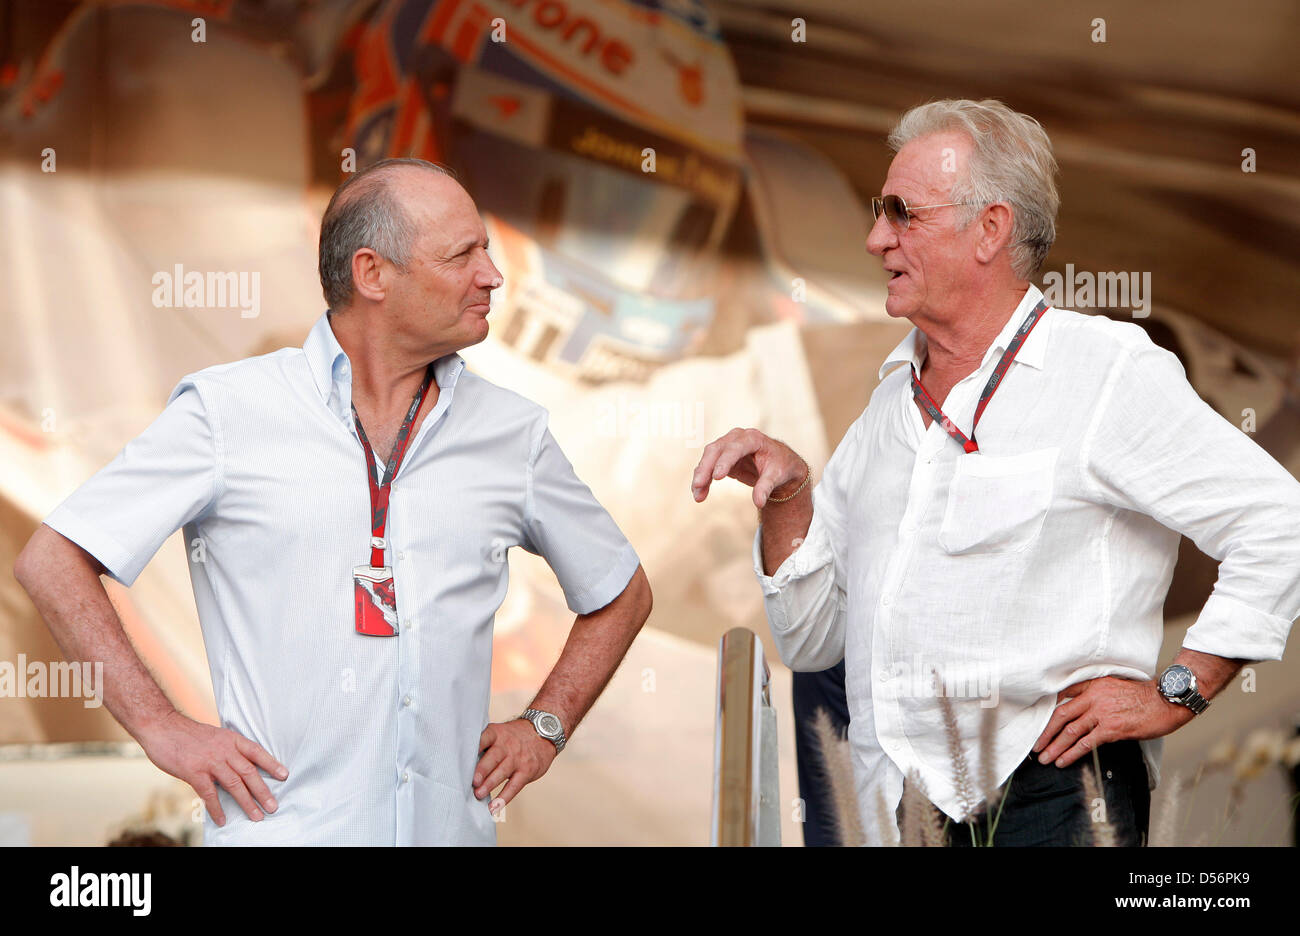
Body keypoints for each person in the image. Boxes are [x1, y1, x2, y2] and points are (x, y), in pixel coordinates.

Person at [691, 99, 1300, 846]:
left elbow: (1278, 520)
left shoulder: (1105, 370)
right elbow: (813, 644)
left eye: (901, 213)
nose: (875, 237)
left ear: (990, 228)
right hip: (897, 814)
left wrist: (1180, 691)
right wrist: (787, 500)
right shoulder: (887, 410)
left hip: (1056, 793)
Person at [14, 157, 652, 846]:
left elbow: (622, 591)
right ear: (373, 274)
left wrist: (544, 726)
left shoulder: (512, 433)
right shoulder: (230, 412)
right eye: (463, 254)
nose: (492, 276)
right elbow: (53, 560)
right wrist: (160, 728)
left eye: (486, 252)